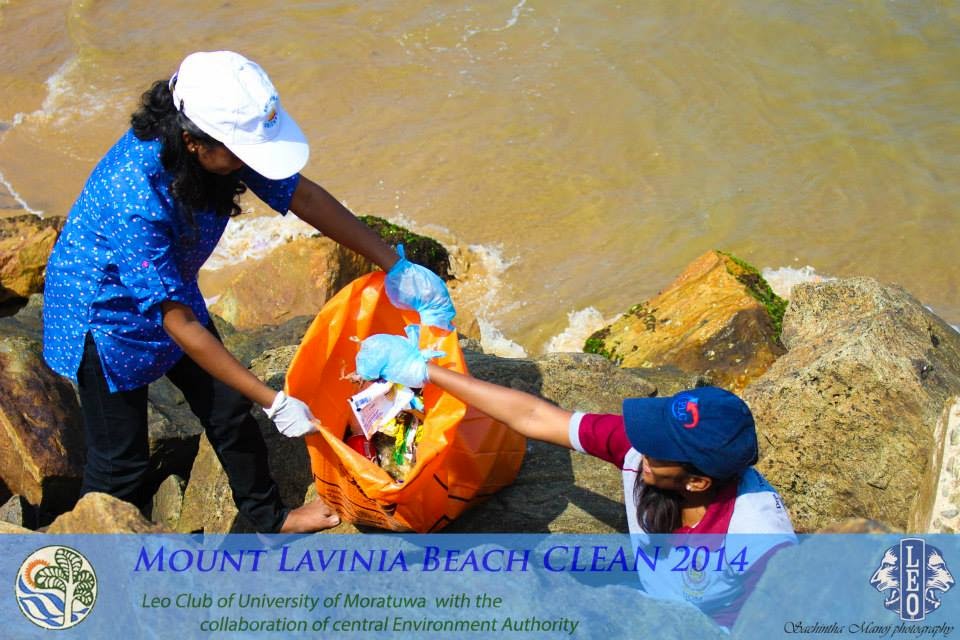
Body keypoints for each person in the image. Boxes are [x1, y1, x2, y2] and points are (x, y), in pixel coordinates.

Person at [42, 51, 454, 534]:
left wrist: (394, 263)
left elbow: (304, 196)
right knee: (122, 464)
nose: (250, 163)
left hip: (169, 284)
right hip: (105, 318)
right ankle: (85, 568)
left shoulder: (214, 146)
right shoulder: (134, 194)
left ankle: (269, 517)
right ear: (194, 142)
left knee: (226, 409)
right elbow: (180, 322)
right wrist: (273, 399)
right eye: (241, 153)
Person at [355, 330, 795, 626]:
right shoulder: (639, 449)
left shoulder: (757, 537)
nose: (640, 445)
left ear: (696, 483)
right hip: (648, 608)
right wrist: (424, 370)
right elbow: (534, 416)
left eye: (656, 446)